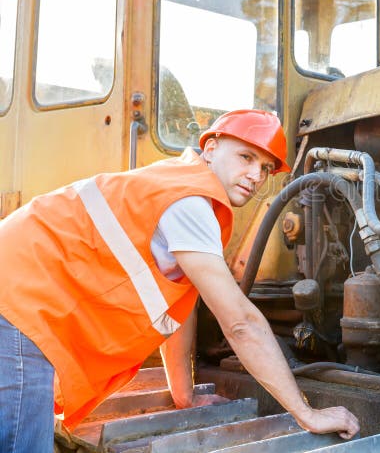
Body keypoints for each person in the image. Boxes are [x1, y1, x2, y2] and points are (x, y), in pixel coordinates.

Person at [0, 109, 359, 452]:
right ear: (211, 147)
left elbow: (176, 307)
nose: (256, 176)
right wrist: (307, 413)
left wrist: (183, 393)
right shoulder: (189, 201)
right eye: (246, 158)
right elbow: (241, 324)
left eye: (265, 168)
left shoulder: (182, 186)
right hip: (19, 300)